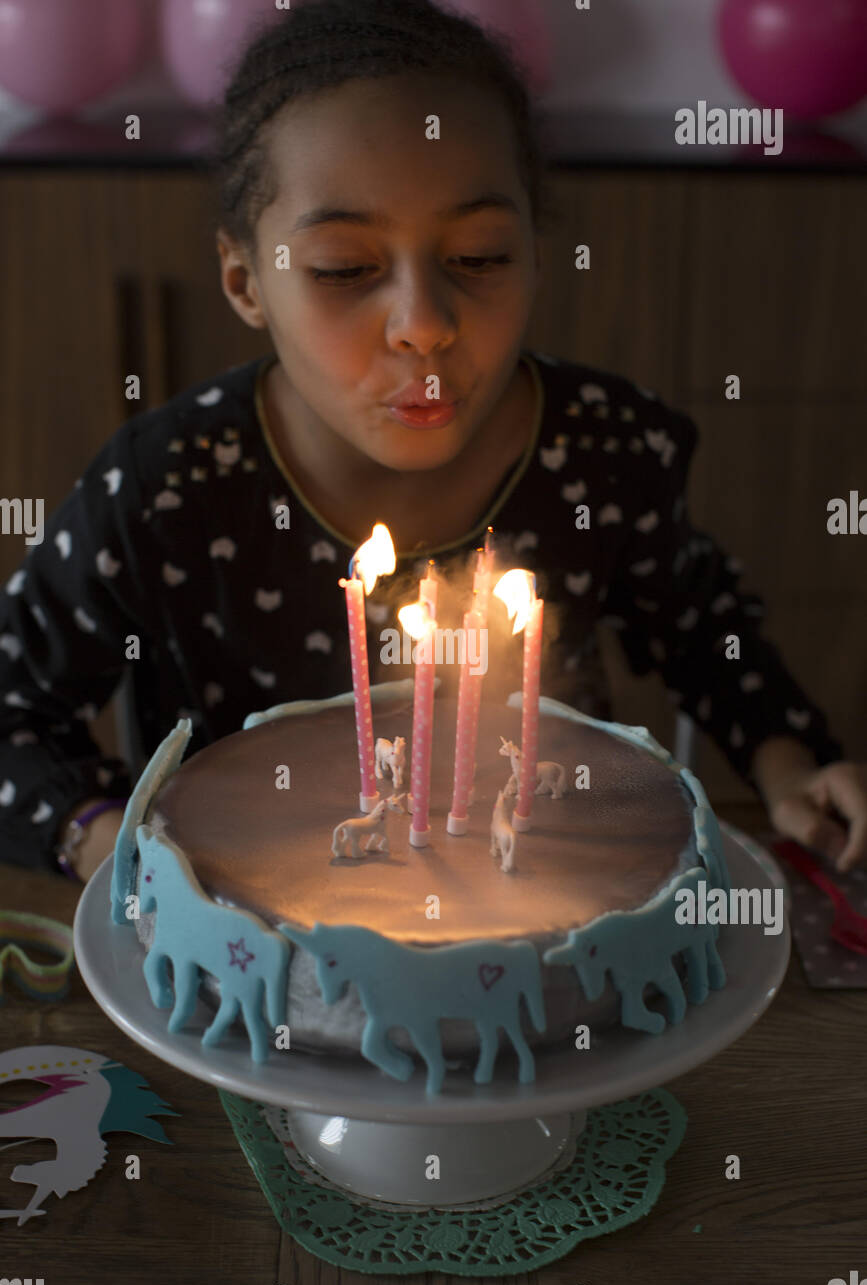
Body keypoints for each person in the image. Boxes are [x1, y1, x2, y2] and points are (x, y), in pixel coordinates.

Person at [0, 0, 864, 886]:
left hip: (543, 919)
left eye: (480, 255)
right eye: (343, 268)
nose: (423, 325)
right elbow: (12, 710)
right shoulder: (166, 487)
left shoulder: (600, 452)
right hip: (247, 969)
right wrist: (101, 834)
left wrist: (789, 766)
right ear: (244, 281)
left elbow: (704, 631)